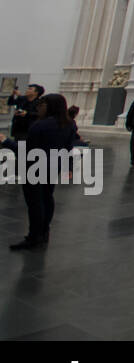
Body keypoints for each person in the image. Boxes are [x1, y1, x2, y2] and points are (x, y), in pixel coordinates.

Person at [10, 93, 78, 251]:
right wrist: (67, 166)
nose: (38, 107)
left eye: (41, 104)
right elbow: (68, 147)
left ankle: (34, 236)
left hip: (35, 167)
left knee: (35, 202)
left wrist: (6, 142)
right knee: (47, 197)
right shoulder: (69, 124)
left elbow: (27, 151)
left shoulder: (40, 125)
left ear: (49, 106)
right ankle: (44, 231)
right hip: (53, 165)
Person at [4, 83, 43, 150]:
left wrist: (27, 113)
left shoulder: (39, 102)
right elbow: (10, 102)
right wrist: (13, 94)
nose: (27, 90)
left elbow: (38, 114)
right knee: (17, 147)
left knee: (23, 148)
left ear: (36, 93)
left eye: (30, 89)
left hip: (28, 129)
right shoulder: (22, 99)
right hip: (17, 128)